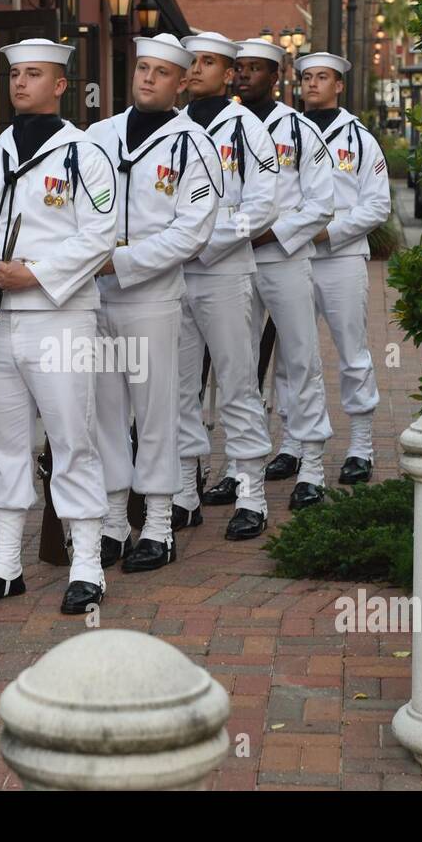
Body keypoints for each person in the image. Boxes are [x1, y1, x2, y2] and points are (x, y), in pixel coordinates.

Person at [0, 37, 118, 614]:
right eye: (16, 74)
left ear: (60, 85)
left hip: (61, 316)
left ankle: (88, 562)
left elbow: (100, 234)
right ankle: (5, 564)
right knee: (2, 443)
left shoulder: (84, 154)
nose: (21, 83)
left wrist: (37, 274)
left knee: (73, 437)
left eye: (34, 74)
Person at [85, 32, 222, 573]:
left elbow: (193, 232)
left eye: (161, 72)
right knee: (106, 414)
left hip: (152, 299)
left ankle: (160, 524)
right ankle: (115, 522)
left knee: (157, 413)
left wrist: (119, 260)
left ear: (182, 82)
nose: (147, 78)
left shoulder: (195, 146)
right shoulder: (97, 136)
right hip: (93, 301)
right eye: (142, 68)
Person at [203, 37, 335, 512]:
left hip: (281, 256)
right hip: (230, 260)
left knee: (299, 359)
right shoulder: (215, 128)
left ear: (275, 77)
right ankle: (240, 469)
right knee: (236, 368)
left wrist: (269, 234)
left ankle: (312, 464)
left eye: (254, 69)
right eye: (237, 68)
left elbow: (322, 205)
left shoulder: (298, 130)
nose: (242, 76)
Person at [174, 31, 278, 541]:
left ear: (229, 72)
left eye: (207, 62)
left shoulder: (247, 129)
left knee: (237, 384)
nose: (194, 69)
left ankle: (251, 492)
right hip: (172, 273)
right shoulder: (170, 128)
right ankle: (185, 489)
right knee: (180, 385)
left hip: (223, 269)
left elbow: (264, 204)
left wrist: (207, 241)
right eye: (189, 61)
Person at [293, 51, 391, 485]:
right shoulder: (282, 134)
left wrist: (327, 232)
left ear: (339, 86)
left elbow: (378, 206)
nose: (312, 84)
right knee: (294, 358)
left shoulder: (361, 140)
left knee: (352, 354)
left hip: (342, 258)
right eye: (306, 77)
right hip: (291, 258)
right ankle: (293, 445)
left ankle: (360, 445)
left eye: (322, 77)